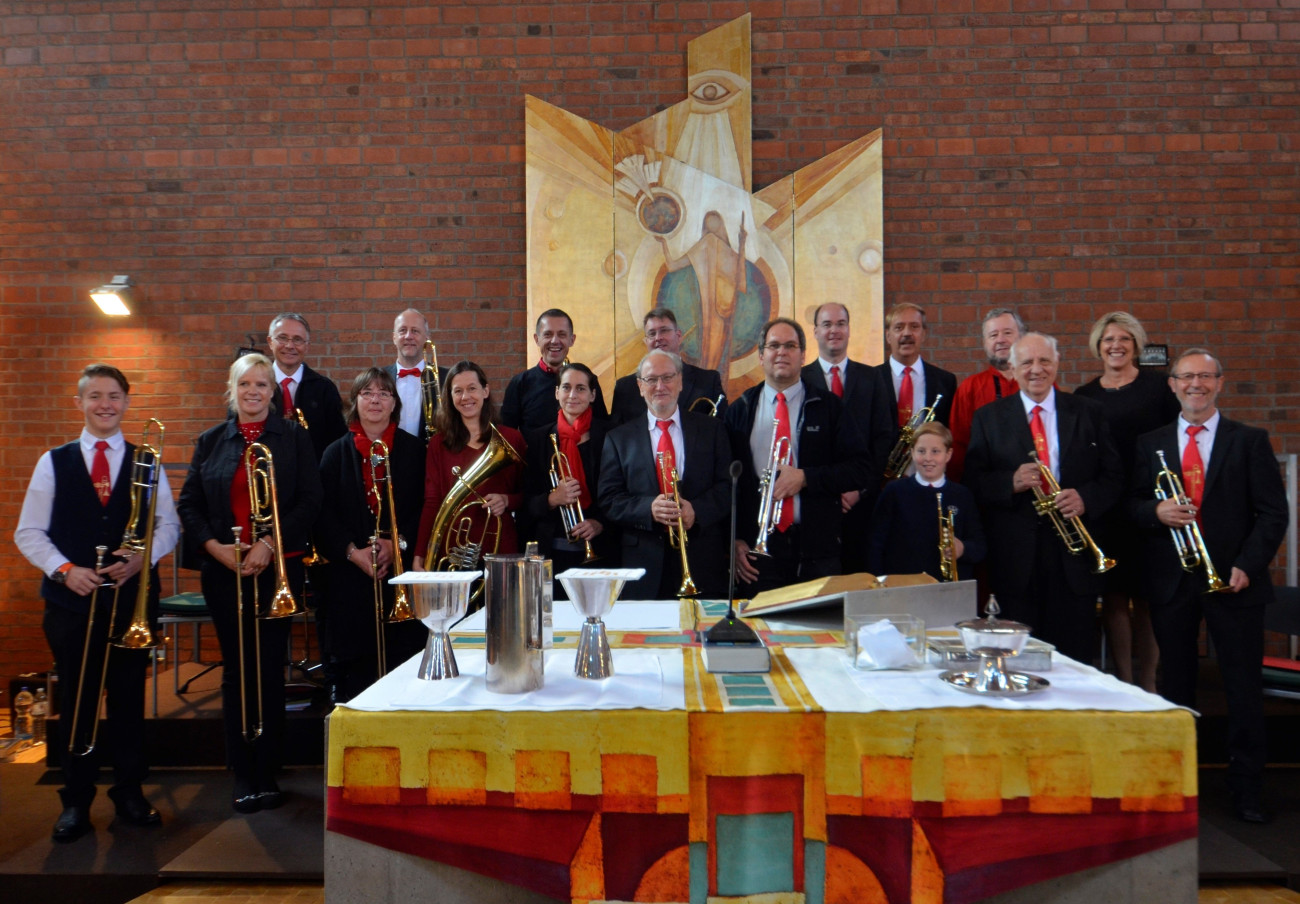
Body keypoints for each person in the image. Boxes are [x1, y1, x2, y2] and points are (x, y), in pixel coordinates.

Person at [14, 364, 180, 842]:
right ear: (79, 403)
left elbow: (168, 525)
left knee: (128, 703)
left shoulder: (147, 461)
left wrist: (142, 557)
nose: (104, 405)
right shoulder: (53, 461)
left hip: (130, 604)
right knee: (78, 702)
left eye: (113, 396)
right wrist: (66, 570)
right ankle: (76, 801)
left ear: (126, 402)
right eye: (95, 396)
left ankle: (129, 794)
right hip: (72, 606)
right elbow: (29, 532)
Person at [1130, 348, 1288, 824]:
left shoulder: (1250, 440)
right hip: (1173, 580)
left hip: (1234, 581)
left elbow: (1273, 512)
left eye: (1204, 376)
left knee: (1242, 686)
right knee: (1176, 683)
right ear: (1172, 385)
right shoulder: (1150, 443)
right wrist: (1155, 511)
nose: (1195, 384)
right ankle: (1180, 783)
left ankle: (1247, 789)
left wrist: (1248, 565)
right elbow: (1129, 505)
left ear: (1220, 383)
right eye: (1186, 377)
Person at [178, 353, 322, 814]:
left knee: (269, 668)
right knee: (237, 670)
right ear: (233, 389)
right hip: (224, 571)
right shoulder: (211, 440)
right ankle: (242, 769)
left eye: (262, 384)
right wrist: (214, 547)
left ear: (272, 392)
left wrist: (269, 544)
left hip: (276, 570)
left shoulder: (293, 437)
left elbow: (310, 500)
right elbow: (189, 504)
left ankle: (268, 767)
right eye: (245, 384)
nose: (253, 392)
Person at [963, 332, 1122, 663]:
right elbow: (973, 483)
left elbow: (1114, 477)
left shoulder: (1089, 412)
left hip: (1075, 558)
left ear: (1057, 363)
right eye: (1027, 362)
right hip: (1016, 561)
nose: (1036, 369)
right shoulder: (988, 417)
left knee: (1076, 659)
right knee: (1019, 659)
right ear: (1012, 368)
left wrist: (1085, 498)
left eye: (1044, 360)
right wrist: (1010, 482)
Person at [1075, 312, 1181, 691]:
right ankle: (1124, 680)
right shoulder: (1084, 396)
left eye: (1124, 339)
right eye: (1108, 339)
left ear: (1136, 345)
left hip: (1150, 505)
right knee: (1114, 596)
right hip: (1106, 508)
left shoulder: (1159, 388)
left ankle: (1148, 682)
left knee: (1148, 597)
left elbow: (1176, 439)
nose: (1115, 346)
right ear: (1098, 346)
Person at [725, 318, 870, 594]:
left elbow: (860, 469)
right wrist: (734, 539)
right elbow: (727, 485)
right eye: (774, 346)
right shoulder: (740, 410)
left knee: (819, 623)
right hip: (757, 556)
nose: (782, 352)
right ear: (761, 356)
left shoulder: (830, 407)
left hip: (818, 551)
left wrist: (805, 478)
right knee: (761, 621)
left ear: (803, 355)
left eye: (790, 346)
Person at [315, 368, 427, 703]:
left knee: (403, 666)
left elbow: (425, 506)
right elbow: (322, 514)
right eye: (367, 393)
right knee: (357, 675)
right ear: (355, 401)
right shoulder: (334, 453)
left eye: (384, 393)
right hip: (350, 576)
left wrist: (397, 543)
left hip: (401, 574)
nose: (375, 400)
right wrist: (353, 552)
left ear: (394, 403)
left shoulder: (414, 450)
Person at [598, 349, 732, 600]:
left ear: (680, 381)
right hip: (644, 567)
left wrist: (697, 511)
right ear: (640, 386)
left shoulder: (712, 429)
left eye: (667, 377)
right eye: (651, 379)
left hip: (703, 562)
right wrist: (648, 508)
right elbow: (609, 499)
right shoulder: (618, 438)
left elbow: (728, 487)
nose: (660, 386)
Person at [800, 302, 894, 573]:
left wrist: (858, 488)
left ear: (849, 329)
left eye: (840, 323)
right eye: (827, 324)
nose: (834, 330)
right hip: (814, 503)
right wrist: (823, 486)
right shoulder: (800, 379)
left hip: (861, 504)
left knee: (859, 577)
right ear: (815, 331)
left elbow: (883, 438)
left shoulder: (872, 378)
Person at [415, 361, 527, 571]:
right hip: (452, 550)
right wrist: (420, 554)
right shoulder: (438, 444)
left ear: (485, 391)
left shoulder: (512, 439)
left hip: (500, 548)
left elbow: (528, 495)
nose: (465, 397)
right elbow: (432, 502)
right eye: (458, 391)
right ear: (450, 397)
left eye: (472, 388)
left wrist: (507, 500)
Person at [523, 362, 615, 589]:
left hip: (604, 550)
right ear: (557, 393)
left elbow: (621, 493)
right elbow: (525, 503)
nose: (572, 395)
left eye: (581, 388)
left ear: (593, 395)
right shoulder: (538, 439)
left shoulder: (611, 436)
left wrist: (600, 523)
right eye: (566, 387)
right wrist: (552, 498)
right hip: (551, 553)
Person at [867, 423, 985, 582]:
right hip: (902, 585)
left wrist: (962, 549)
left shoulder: (962, 495)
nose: (928, 458)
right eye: (921, 451)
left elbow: (979, 545)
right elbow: (875, 543)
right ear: (912, 453)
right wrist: (879, 582)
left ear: (948, 454)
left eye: (935, 451)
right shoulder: (894, 491)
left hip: (946, 587)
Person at [655, 210, 747, 373]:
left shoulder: (712, 248)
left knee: (712, 352)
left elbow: (672, 266)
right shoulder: (713, 247)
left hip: (715, 310)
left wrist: (742, 245)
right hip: (714, 310)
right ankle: (710, 377)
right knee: (713, 352)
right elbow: (741, 282)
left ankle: (709, 377)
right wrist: (742, 246)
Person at [610, 307, 727, 425]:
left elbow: (721, 429)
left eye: (664, 330)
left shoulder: (708, 381)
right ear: (646, 341)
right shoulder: (625, 388)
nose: (658, 338)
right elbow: (617, 433)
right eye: (652, 333)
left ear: (679, 336)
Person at [500, 309, 607, 434]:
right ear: (537, 339)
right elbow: (506, 436)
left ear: (572, 340)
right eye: (548, 334)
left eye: (562, 335)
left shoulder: (588, 380)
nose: (555, 341)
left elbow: (602, 429)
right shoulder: (520, 383)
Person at [949, 308, 1024, 481]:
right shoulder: (970, 388)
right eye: (993, 335)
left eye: (1007, 333)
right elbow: (958, 445)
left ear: (1021, 337)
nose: (1000, 340)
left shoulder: (1039, 382)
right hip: (986, 486)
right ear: (985, 343)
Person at [265, 312, 348, 464]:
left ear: (307, 346)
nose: (290, 346)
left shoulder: (325, 389)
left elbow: (337, 442)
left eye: (297, 340)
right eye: (282, 338)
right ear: (270, 342)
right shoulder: (253, 385)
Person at [872, 302, 957, 441]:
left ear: (923, 334)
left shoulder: (946, 381)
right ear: (888, 336)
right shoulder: (869, 379)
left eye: (914, 326)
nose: (907, 333)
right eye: (899, 327)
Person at [383, 308, 448, 442]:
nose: (408, 336)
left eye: (415, 331)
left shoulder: (447, 379)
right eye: (402, 330)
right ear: (394, 337)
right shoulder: (379, 378)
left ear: (427, 337)